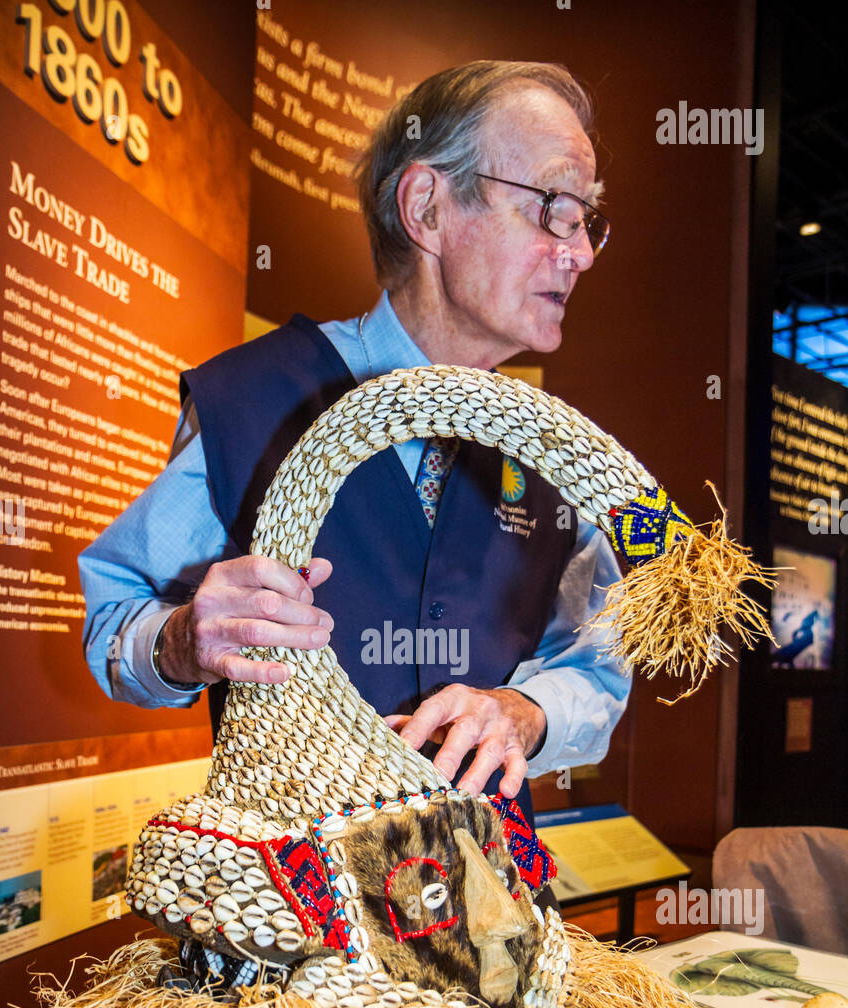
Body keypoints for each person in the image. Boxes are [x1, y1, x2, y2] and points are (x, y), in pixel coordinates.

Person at [79, 60, 631, 822]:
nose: (582, 253)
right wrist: (180, 641)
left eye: (587, 220)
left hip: (496, 919)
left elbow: (595, 665)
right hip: (296, 919)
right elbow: (115, 618)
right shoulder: (250, 398)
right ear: (427, 206)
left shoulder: (553, 452)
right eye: (554, 208)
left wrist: (523, 712)